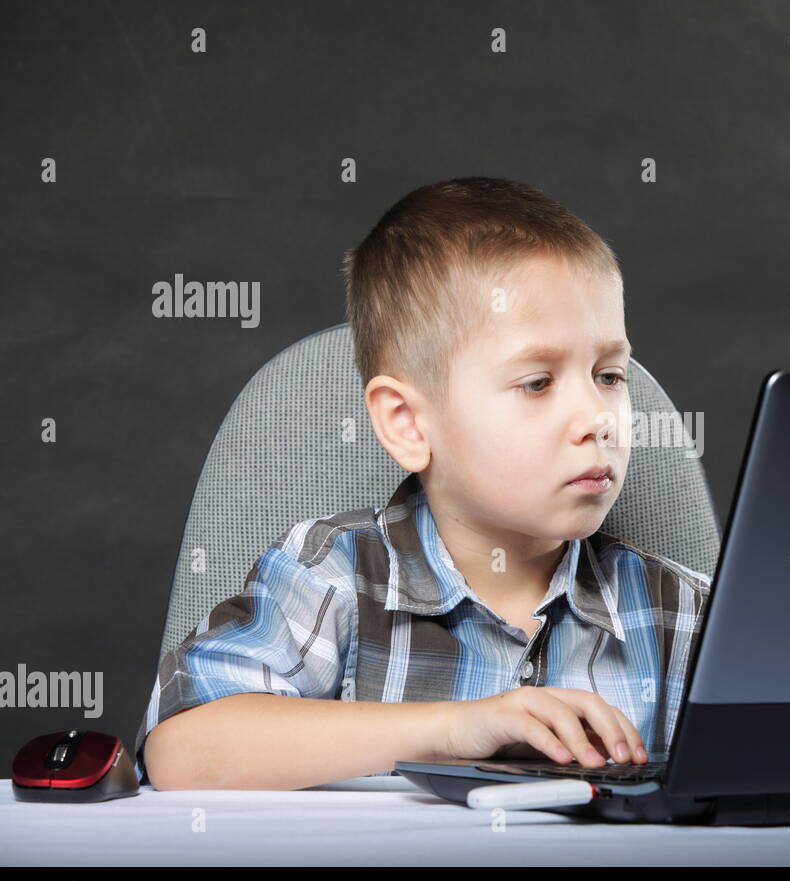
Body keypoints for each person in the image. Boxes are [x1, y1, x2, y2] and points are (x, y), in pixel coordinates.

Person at [137, 177, 711, 790]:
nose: (598, 418)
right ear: (408, 424)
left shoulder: (683, 615)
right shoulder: (333, 576)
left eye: (610, 375)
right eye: (537, 383)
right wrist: (449, 730)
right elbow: (183, 748)